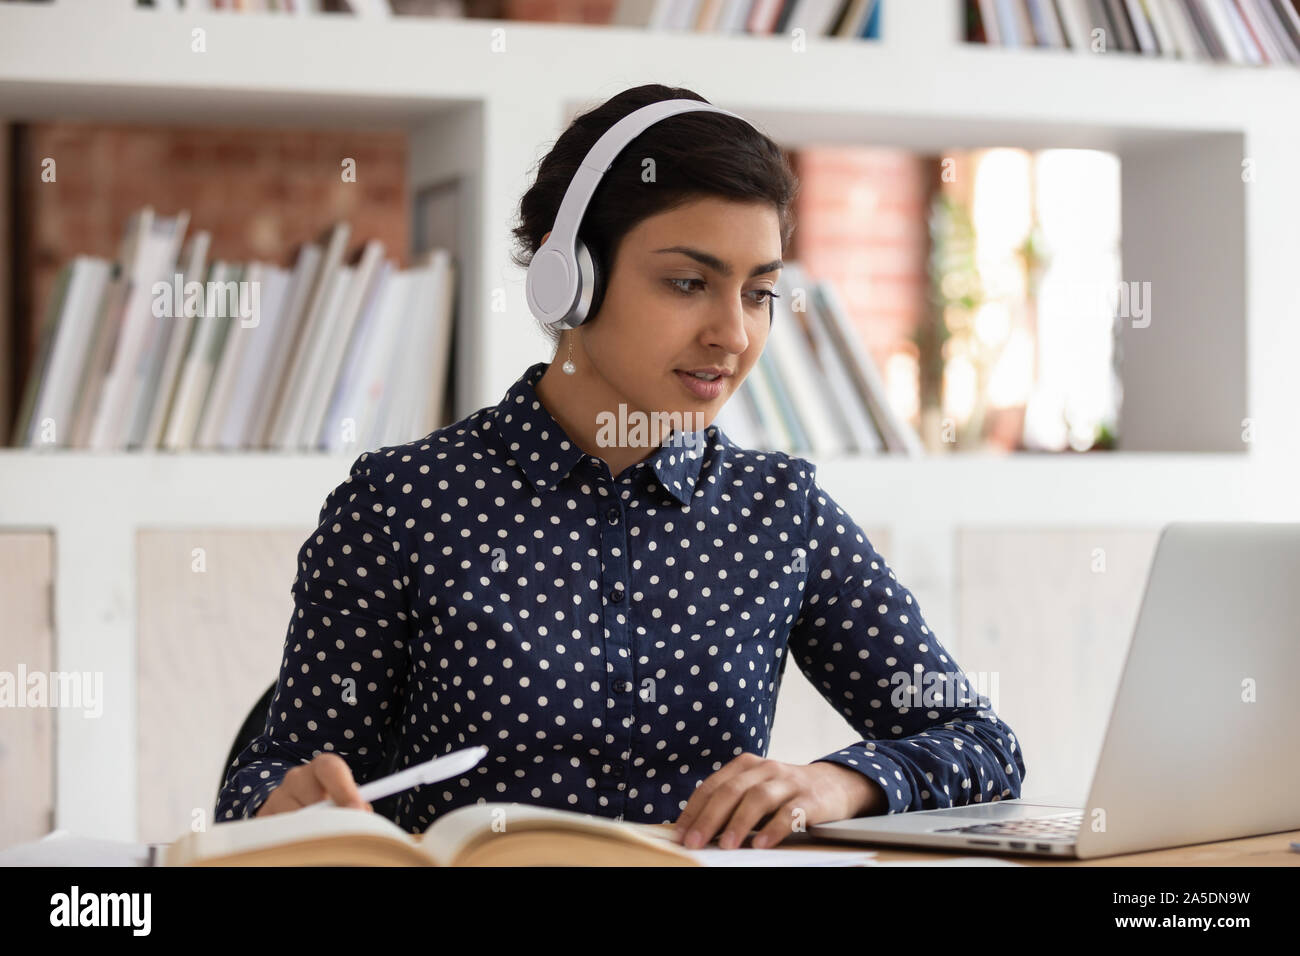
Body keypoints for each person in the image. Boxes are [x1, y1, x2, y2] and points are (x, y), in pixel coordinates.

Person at [215, 83, 1025, 851]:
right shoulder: (402, 504)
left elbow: (978, 742)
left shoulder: (781, 513)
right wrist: (280, 800)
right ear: (567, 280)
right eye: (687, 282)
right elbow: (263, 777)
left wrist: (837, 782)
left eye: (757, 294)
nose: (733, 335)